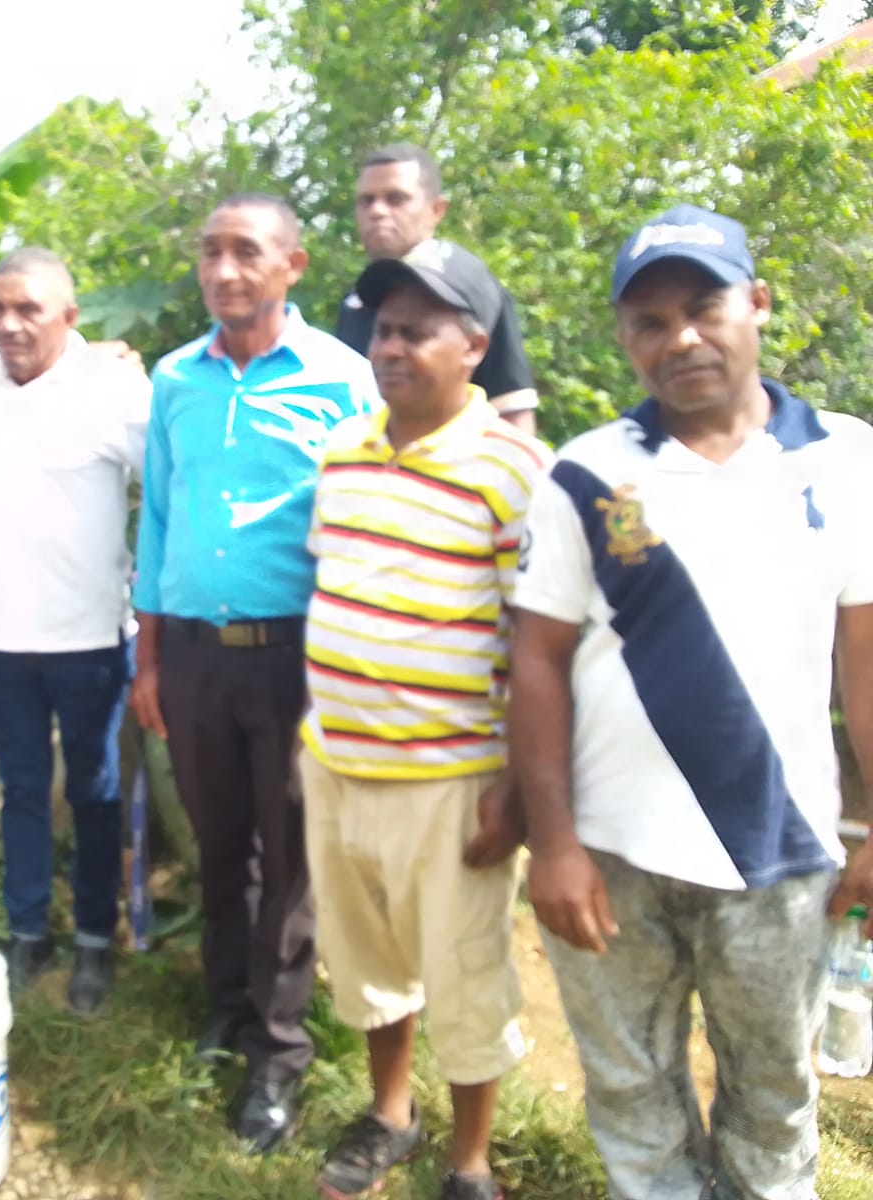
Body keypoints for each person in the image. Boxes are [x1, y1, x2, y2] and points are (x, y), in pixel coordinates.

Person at [509, 204, 873, 1200]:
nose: (679, 339)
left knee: (774, 1098)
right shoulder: (587, 473)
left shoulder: (845, 460)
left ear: (757, 304)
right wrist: (555, 843)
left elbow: (865, 660)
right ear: (625, 338)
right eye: (650, 321)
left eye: (703, 308)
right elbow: (536, 662)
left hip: (781, 853)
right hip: (611, 855)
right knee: (632, 1093)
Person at [299, 243, 550, 1200]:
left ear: (475, 346)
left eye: (417, 331)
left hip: (451, 785)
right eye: (384, 330)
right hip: (337, 764)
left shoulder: (517, 471)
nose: (391, 347)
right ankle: (392, 1114)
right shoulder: (343, 449)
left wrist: (515, 792)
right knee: (366, 963)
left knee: (464, 974)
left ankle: (470, 1161)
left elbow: (537, 646)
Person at [131, 192, 379, 1153]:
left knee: (291, 856)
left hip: (297, 658)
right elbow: (157, 519)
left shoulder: (343, 379)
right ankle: (227, 1006)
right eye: (210, 252)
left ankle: (278, 1054)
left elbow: (369, 516)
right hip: (194, 655)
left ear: (293, 266)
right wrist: (150, 657)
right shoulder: (176, 379)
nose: (224, 271)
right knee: (220, 841)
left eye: (246, 252)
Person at [0, 247, 150, 1013]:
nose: (10, 324)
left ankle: (94, 938)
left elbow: (169, 474)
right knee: (20, 789)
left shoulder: (110, 389)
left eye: (30, 309)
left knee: (93, 789)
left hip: (90, 637)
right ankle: (29, 931)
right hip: (2, 637)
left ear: (69, 317)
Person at [336, 143, 540, 434]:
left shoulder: (471, 292)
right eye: (366, 201)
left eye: (395, 199)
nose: (377, 211)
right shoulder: (356, 301)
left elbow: (513, 415)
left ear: (436, 210)